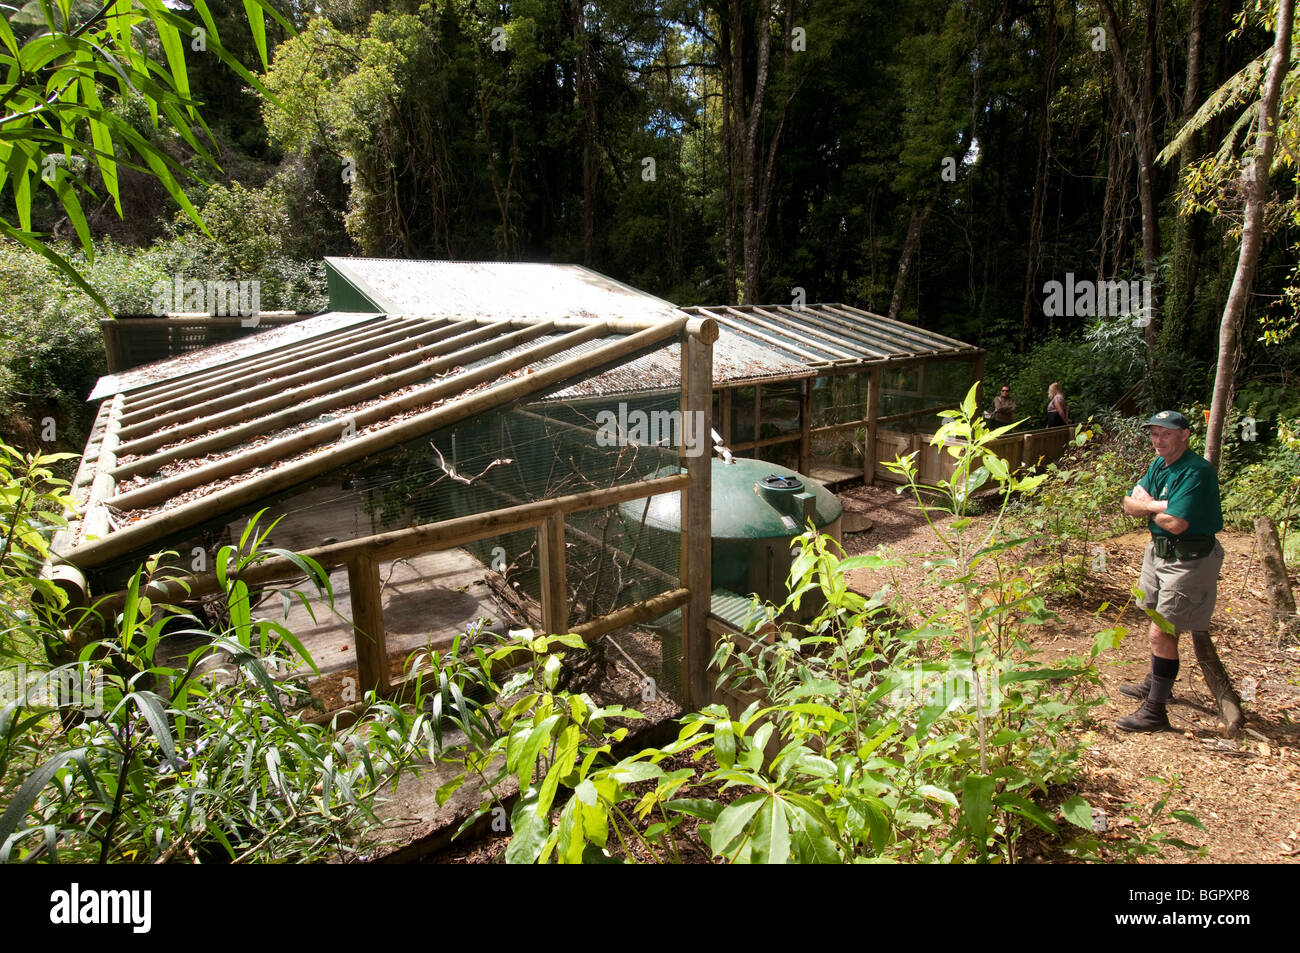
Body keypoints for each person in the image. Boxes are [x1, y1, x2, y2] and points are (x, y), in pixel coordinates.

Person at [1117, 410, 1224, 732]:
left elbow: (1177, 523)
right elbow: (1127, 504)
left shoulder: (1197, 471)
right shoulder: (1158, 465)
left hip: (1188, 559)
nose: (1158, 440)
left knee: (1161, 630)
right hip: (1159, 553)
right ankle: (1156, 683)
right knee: (1157, 618)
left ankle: (1155, 711)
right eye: (1154, 434)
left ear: (1184, 435)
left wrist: (1149, 507)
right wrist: (1161, 506)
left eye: (1165, 433)